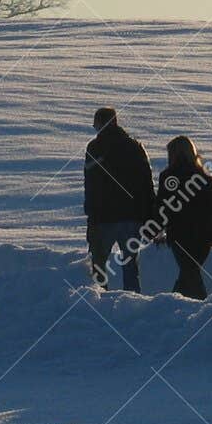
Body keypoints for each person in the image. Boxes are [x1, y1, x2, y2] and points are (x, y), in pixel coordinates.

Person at [83, 106, 156, 292]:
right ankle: (132, 298)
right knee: (130, 263)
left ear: (100, 123)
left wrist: (90, 214)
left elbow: (90, 185)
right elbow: (146, 183)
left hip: (103, 217)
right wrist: (149, 213)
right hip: (131, 215)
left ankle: (99, 298)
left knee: (99, 264)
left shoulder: (95, 147)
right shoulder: (135, 147)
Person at [154, 136, 212, 300]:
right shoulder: (205, 179)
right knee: (190, 271)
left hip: (179, 236)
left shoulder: (168, 177)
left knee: (189, 272)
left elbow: (162, 207)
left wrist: (155, 230)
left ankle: (196, 305)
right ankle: (175, 304)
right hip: (203, 237)